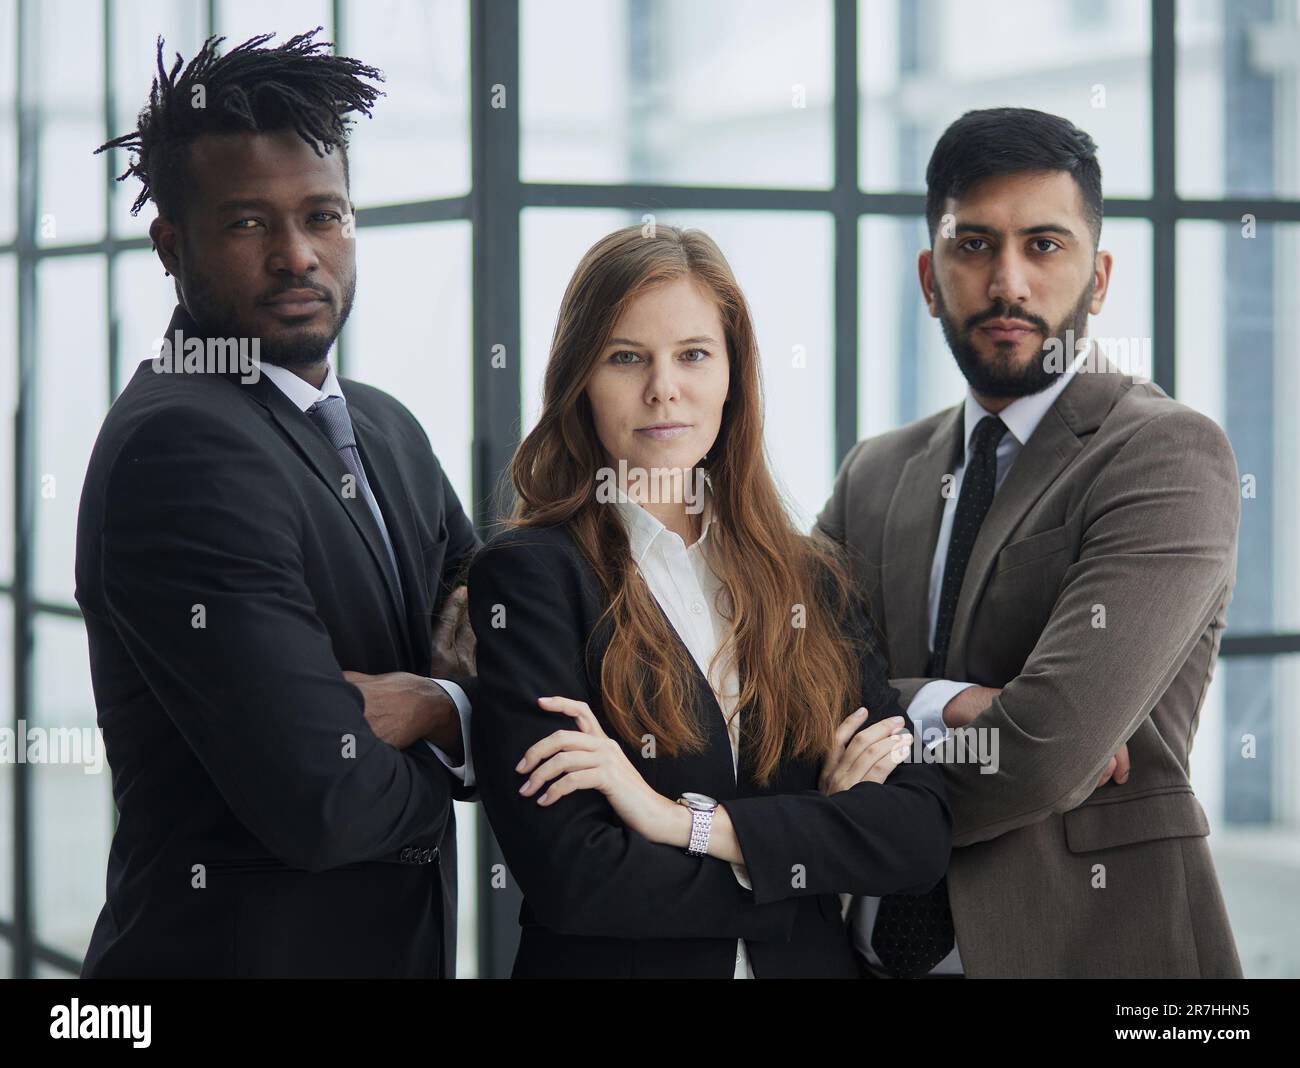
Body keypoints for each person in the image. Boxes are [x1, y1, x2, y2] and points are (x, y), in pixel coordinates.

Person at [76, 29, 476, 978]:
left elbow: (528, 635)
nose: (299, 256)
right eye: (249, 223)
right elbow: (325, 798)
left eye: (323, 216)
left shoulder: (385, 429)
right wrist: (491, 730)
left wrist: (438, 705)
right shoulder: (179, 446)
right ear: (173, 245)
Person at [818, 107, 1242, 978]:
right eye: (973, 246)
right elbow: (775, 686)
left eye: (1045, 245)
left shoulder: (1166, 453)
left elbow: (1047, 747)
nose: (1008, 282)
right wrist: (951, 703)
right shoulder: (875, 471)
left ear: (1099, 278)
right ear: (930, 278)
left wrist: (877, 737)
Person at [467, 224, 952, 978]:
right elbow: (580, 879)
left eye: (693, 354)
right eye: (626, 357)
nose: (664, 387)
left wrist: (677, 821)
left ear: (733, 375)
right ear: (580, 381)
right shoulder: (531, 579)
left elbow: (915, 837)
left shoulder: (810, 579)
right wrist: (813, 846)